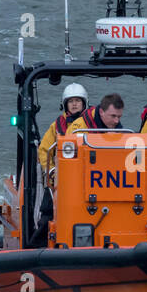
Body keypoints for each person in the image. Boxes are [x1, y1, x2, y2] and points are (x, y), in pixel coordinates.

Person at [31, 83, 88, 246]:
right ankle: (37, 246)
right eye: (71, 101)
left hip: (85, 178)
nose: (75, 104)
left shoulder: (91, 125)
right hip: (59, 180)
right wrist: (53, 172)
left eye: (78, 101)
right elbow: (44, 150)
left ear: (85, 103)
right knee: (48, 214)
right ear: (65, 104)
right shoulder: (57, 126)